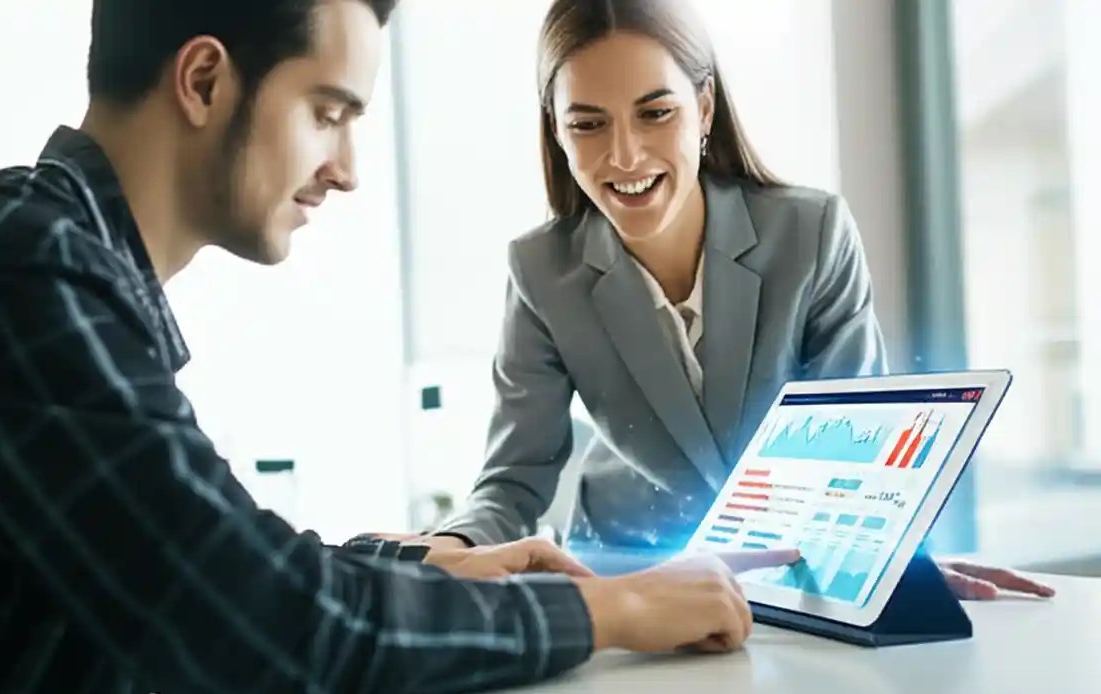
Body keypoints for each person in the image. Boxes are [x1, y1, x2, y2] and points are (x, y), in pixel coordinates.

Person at [0, 1, 801, 694]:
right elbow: (249, 628)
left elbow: (209, 561)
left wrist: (433, 569)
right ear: (203, 80)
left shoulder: (44, 254)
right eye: (328, 111)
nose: (344, 167)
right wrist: (607, 609)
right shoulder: (15, 271)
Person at [415, 0, 1055, 602]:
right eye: (587, 124)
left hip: (789, 580)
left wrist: (884, 571)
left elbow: (857, 464)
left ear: (705, 107)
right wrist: (446, 549)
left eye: (655, 112)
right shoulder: (540, 271)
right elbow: (513, 479)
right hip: (624, 585)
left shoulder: (811, 235)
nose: (624, 154)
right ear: (555, 129)